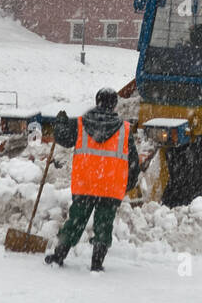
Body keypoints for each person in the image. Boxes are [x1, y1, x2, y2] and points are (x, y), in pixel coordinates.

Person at [45, 87, 140, 271]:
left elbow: (63, 138)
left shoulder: (81, 124)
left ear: (97, 102)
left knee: (75, 221)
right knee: (104, 226)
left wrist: (60, 122)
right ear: (114, 104)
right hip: (110, 188)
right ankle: (97, 263)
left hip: (85, 184)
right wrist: (129, 183)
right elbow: (133, 162)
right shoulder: (124, 129)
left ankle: (59, 256)